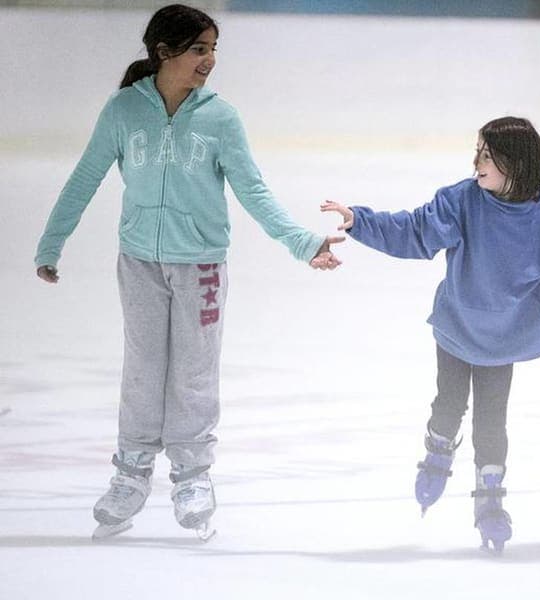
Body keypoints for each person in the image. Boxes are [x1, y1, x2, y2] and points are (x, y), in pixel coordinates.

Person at [34, 4, 343, 541]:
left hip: (200, 265)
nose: (210, 60)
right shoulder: (123, 111)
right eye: (200, 49)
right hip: (139, 262)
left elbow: (253, 190)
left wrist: (302, 242)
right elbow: (85, 177)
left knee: (194, 373)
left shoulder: (220, 117)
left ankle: (192, 476)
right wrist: (51, 243)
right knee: (142, 370)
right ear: (164, 52)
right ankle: (130, 474)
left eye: (213, 49)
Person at [320, 116, 540, 554]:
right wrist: (359, 221)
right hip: (458, 329)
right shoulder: (463, 200)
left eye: (488, 155)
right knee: (449, 403)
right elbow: (415, 232)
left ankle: (490, 498)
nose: (477, 161)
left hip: (504, 340)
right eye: (477, 151)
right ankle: (438, 452)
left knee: (491, 418)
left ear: (517, 164)